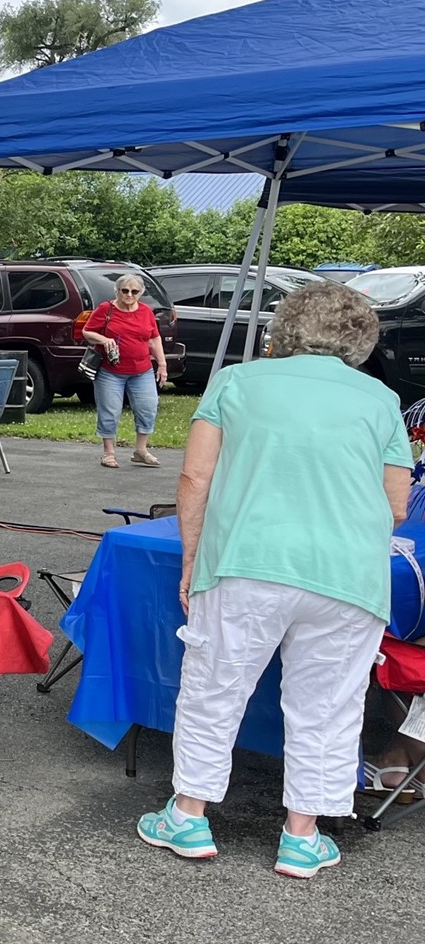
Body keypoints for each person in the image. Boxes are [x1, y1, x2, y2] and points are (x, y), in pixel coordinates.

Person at [136, 283, 410, 879]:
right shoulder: (380, 399)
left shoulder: (236, 384)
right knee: (329, 706)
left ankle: (188, 815)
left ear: (283, 328)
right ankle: (301, 835)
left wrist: (190, 559)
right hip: (348, 576)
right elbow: (395, 505)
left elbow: (193, 480)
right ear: (360, 338)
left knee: (214, 689)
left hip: (243, 563)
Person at [82, 275, 168, 469]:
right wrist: (104, 340)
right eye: (125, 290)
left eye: (134, 291)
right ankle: (108, 453)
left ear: (140, 293)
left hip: (142, 370)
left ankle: (141, 450)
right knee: (110, 411)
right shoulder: (106, 309)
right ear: (117, 291)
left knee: (148, 407)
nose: (129, 295)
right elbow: (87, 332)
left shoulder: (146, 311)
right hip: (110, 371)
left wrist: (162, 364)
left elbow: (154, 339)